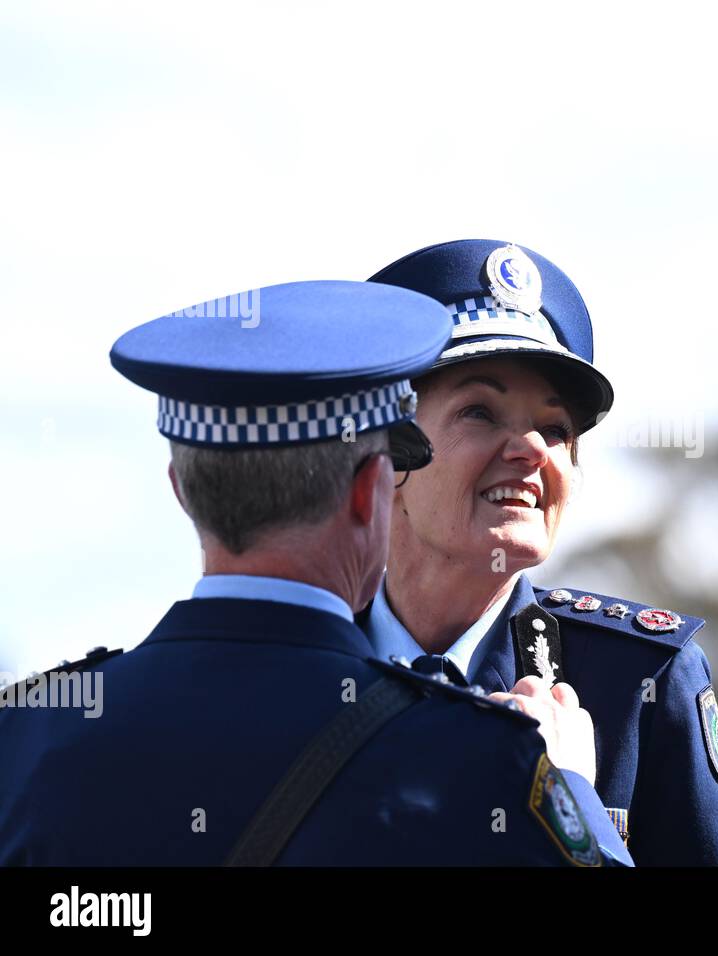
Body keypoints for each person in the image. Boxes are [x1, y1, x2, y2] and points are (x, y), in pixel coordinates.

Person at [0, 279, 632, 866]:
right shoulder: (486, 759)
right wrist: (571, 793)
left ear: (182, 493)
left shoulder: (27, 732)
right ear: (368, 493)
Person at [362, 240, 718, 865]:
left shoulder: (640, 682)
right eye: (480, 413)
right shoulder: (298, 671)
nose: (532, 449)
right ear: (388, 453)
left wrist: (574, 821)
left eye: (556, 428)